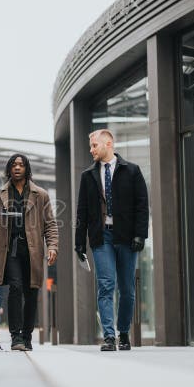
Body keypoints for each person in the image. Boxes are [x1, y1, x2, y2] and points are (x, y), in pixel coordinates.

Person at [0, 154, 58, 351]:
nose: (17, 168)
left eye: (21, 164)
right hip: (10, 250)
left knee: (31, 292)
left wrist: (52, 246)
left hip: (33, 250)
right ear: (9, 169)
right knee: (15, 288)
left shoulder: (41, 195)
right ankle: (16, 337)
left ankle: (27, 336)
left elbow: (50, 225)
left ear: (26, 168)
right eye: (14, 165)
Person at [74, 129, 149, 351]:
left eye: (94, 145)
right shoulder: (88, 176)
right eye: (90, 146)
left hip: (127, 236)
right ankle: (108, 336)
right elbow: (82, 211)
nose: (91, 150)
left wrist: (140, 235)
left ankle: (123, 331)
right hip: (102, 236)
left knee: (126, 289)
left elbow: (142, 206)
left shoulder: (132, 171)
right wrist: (79, 242)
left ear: (108, 144)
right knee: (106, 285)